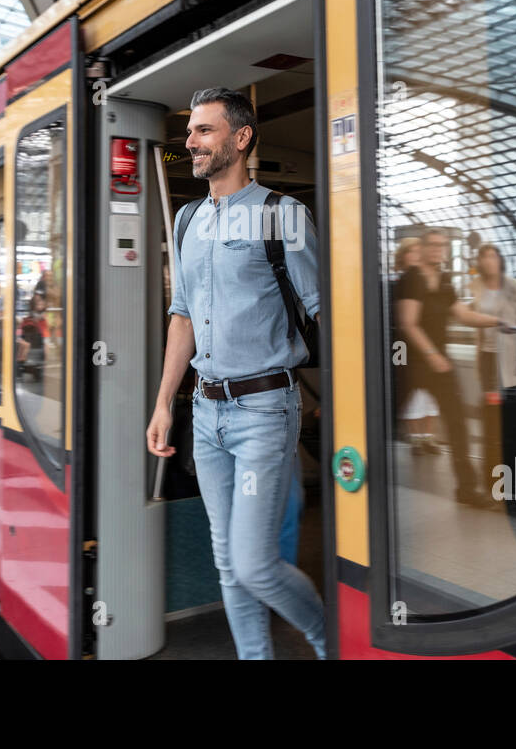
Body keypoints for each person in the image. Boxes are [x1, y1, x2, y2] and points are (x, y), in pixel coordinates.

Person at [145, 86, 325, 659]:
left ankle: (328, 639)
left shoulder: (284, 215)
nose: (190, 142)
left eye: (204, 131)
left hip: (265, 411)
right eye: (190, 131)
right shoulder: (187, 219)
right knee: (228, 563)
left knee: (255, 564)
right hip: (205, 412)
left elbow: (324, 311)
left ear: (241, 138)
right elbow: (182, 317)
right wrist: (162, 403)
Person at [396, 229, 506, 506]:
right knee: (385, 419)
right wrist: (433, 355)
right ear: (422, 248)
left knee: (457, 425)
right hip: (411, 364)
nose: (438, 250)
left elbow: (463, 313)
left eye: (442, 245)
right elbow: (408, 323)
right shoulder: (411, 279)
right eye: (433, 245)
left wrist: (495, 321)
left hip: (440, 366)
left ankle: (467, 489)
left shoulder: (445, 280)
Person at [468, 244, 516, 510]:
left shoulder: (514, 287)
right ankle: (493, 490)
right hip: (487, 362)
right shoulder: (475, 285)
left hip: (511, 363)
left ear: (500, 260)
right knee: (491, 426)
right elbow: (472, 317)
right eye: (483, 256)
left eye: (492, 256)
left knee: (511, 426)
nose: (488, 261)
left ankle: (515, 488)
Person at [392, 238, 440, 454]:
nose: (417, 255)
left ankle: (428, 437)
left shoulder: (424, 281)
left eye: (419, 251)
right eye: (412, 251)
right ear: (403, 256)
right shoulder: (400, 282)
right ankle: (416, 438)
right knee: (411, 392)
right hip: (403, 345)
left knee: (428, 395)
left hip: (422, 347)